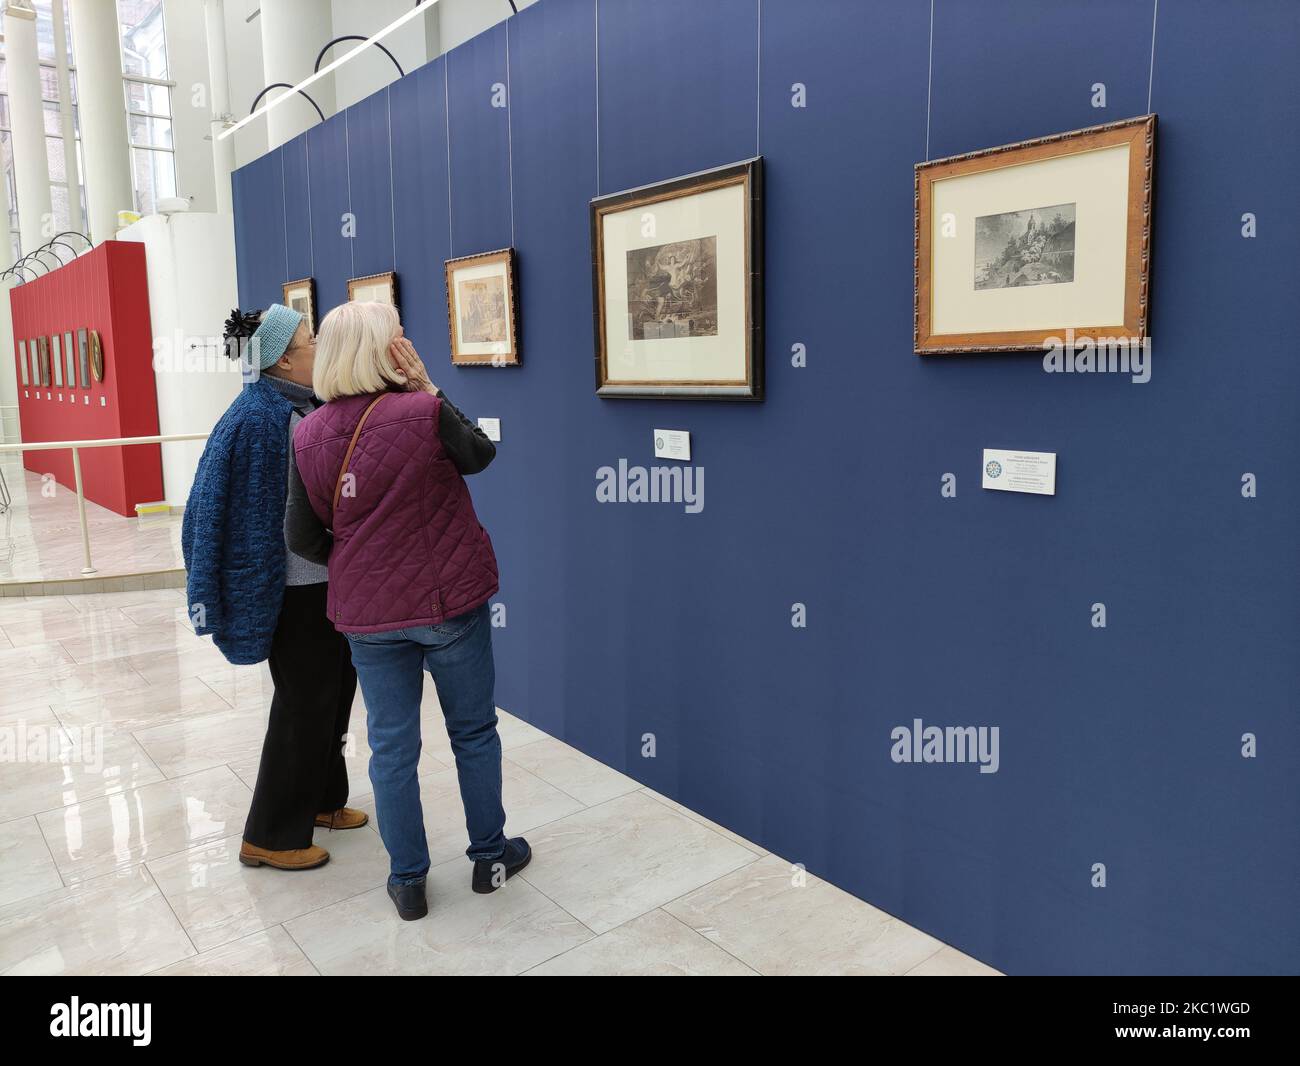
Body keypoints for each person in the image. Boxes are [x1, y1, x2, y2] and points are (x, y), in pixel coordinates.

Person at [288, 301, 528, 921]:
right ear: (386, 350)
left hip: (369, 618)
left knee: (391, 749)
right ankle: (489, 857)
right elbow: (480, 455)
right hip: (449, 604)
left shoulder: (307, 433)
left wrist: (357, 558)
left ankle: (408, 882)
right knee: (472, 733)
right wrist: (427, 384)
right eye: (397, 336)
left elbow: (303, 537)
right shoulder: (424, 412)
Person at [182, 304, 367, 872]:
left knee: (333, 694)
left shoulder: (299, 405)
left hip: (320, 581)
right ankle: (270, 834)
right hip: (292, 589)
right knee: (303, 704)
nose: (322, 349)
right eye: (313, 341)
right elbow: (209, 509)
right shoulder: (260, 418)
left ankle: (321, 801)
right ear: (285, 359)